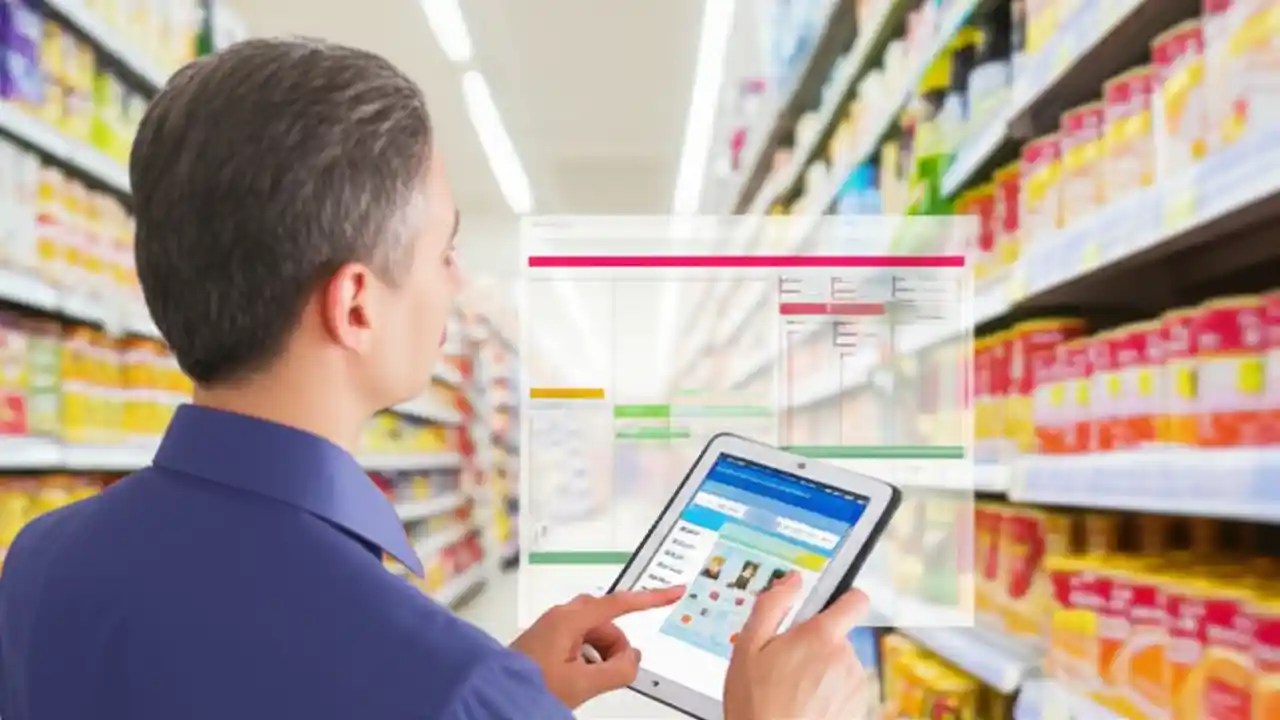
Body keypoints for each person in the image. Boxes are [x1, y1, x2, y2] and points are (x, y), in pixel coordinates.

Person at [0, 39, 869, 719]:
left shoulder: (40, 561)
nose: (457, 283)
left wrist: (508, 691)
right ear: (355, 305)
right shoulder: (447, 684)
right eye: (445, 250)